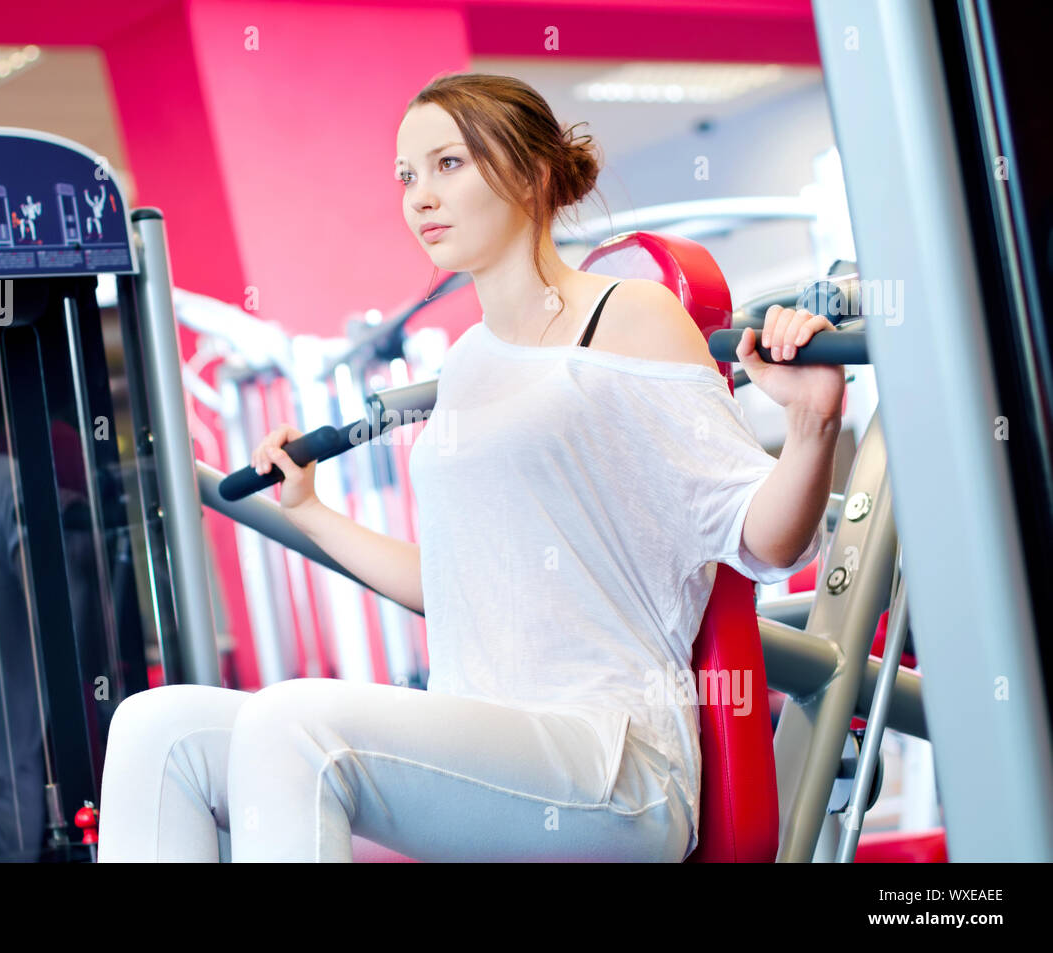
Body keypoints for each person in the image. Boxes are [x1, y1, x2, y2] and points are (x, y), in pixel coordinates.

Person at [96, 72, 844, 863]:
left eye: (447, 163)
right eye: (406, 175)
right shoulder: (466, 364)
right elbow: (454, 584)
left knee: (295, 723)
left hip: (611, 759)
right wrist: (308, 508)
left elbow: (765, 539)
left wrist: (811, 423)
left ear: (530, 171)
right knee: (158, 727)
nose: (420, 196)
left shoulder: (627, 315)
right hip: (487, 746)